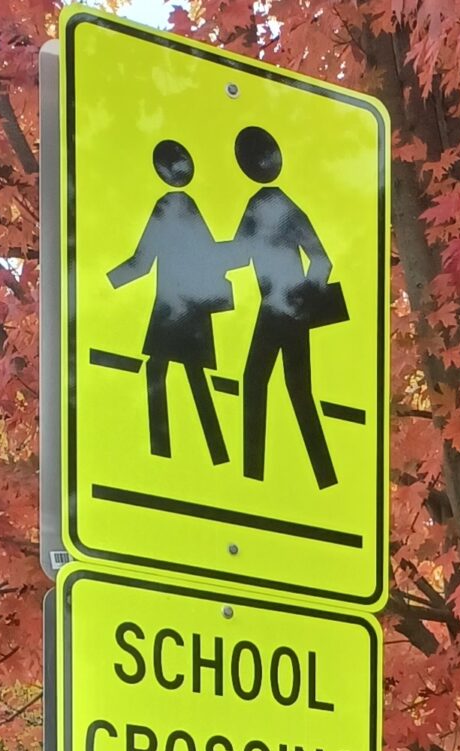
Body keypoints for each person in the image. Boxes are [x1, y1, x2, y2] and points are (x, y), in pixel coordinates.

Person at [227, 126, 341, 489]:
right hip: (276, 308)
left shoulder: (283, 208)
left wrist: (300, 299)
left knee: (270, 384)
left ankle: (255, 475)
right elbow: (239, 253)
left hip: (283, 310)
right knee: (281, 387)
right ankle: (306, 475)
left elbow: (321, 259)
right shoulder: (261, 206)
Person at [108, 139, 232, 465]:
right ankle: (216, 452)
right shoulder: (190, 208)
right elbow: (207, 257)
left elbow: (142, 260)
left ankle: (162, 450)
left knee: (160, 373)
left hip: (173, 308)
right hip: (189, 308)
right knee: (190, 376)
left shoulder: (169, 207)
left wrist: (103, 283)